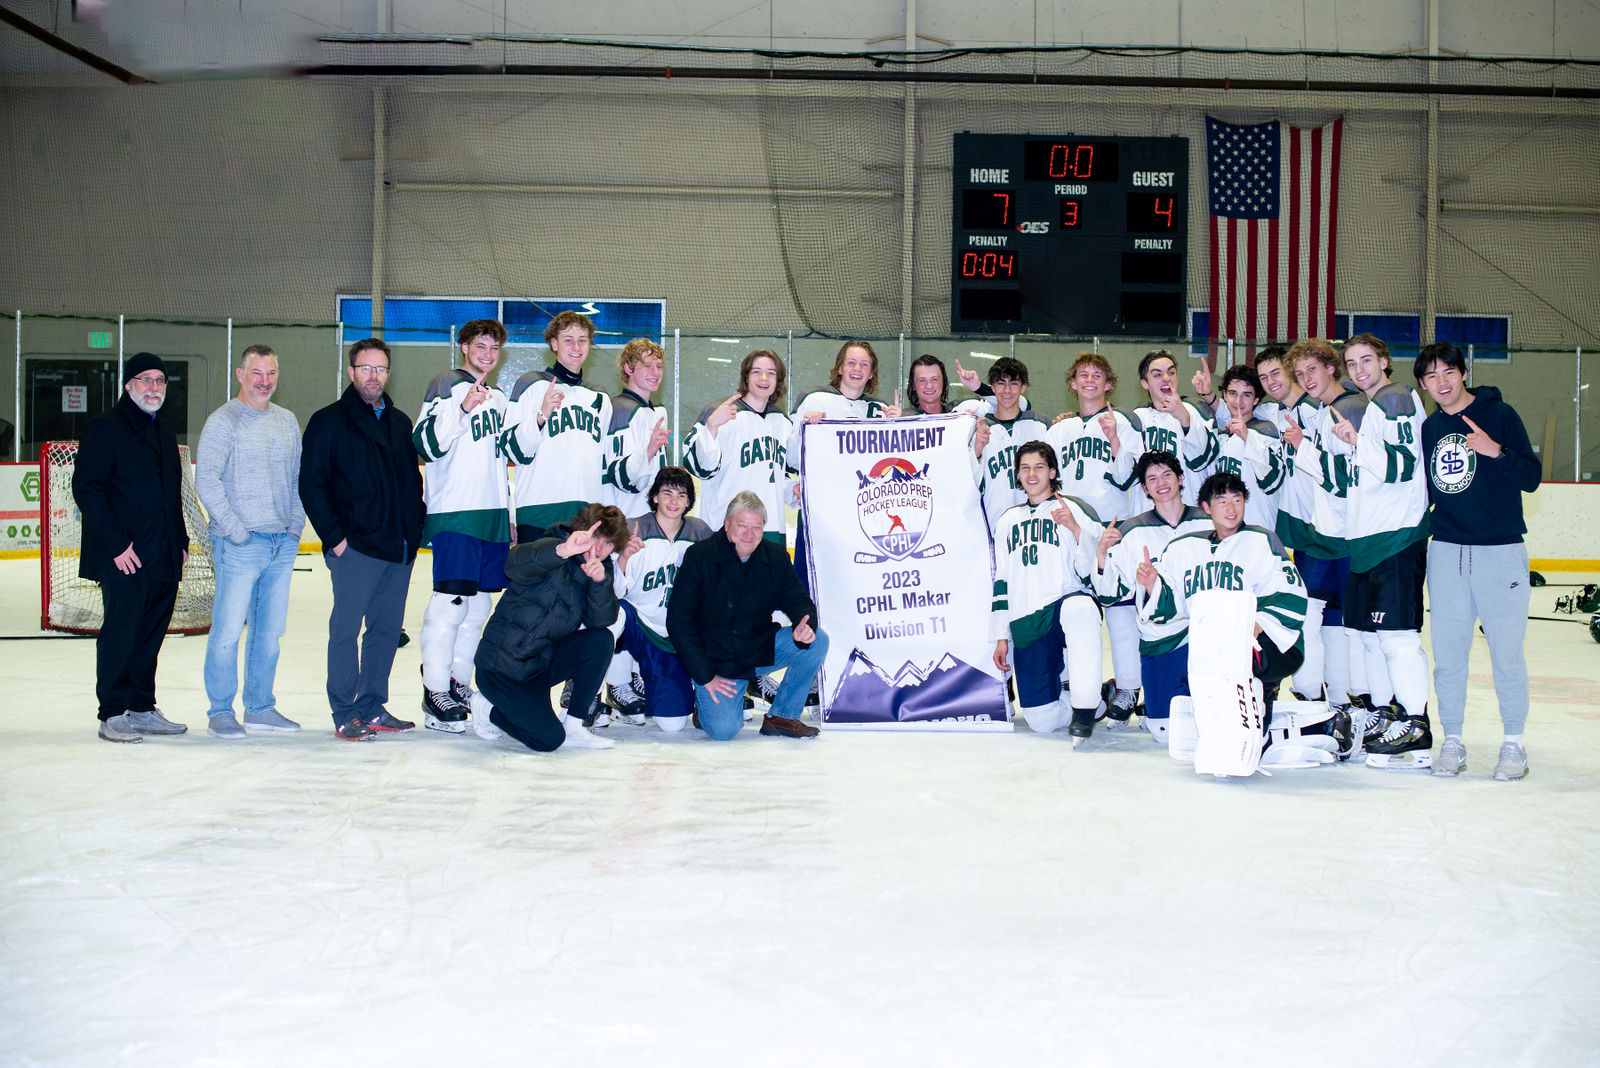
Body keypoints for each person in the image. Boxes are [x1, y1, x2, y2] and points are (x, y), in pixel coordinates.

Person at [1416, 341, 1541, 780]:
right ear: (1423, 384)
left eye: (1447, 371)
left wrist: (1497, 452)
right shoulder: (1430, 427)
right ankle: (1453, 740)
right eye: (1431, 376)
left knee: (1507, 654)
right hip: (1448, 552)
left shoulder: (1500, 416)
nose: (1441, 382)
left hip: (1501, 553)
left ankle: (1513, 744)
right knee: (1449, 655)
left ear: (1462, 372)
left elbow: (1531, 476)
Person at [299, 338, 426, 741]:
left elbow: (410, 483)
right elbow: (312, 484)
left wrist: (413, 530)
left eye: (381, 369)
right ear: (352, 371)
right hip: (354, 547)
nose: (374, 376)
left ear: (389, 374)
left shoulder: (400, 422)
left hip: (398, 547)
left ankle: (372, 704)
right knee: (346, 630)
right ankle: (344, 709)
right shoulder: (329, 421)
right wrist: (335, 539)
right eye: (366, 368)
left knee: (386, 632)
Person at [73, 353, 190, 743]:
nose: (154, 388)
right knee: (121, 633)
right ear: (128, 385)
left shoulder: (164, 430)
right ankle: (113, 712)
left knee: (151, 633)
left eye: (160, 381)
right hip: (124, 556)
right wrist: (116, 545)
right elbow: (88, 489)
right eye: (145, 380)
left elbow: (172, 494)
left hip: (163, 552)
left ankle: (141, 707)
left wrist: (182, 540)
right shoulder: (105, 428)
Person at [1136, 471, 1309, 733]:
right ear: (1206, 508)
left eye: (1237, 500)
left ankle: (1265, 696)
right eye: (1222, 501)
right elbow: (1172, 605)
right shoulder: (1183, 547)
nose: (1231, 508)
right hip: (1213, 650)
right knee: (1176, 727)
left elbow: (1289, 592)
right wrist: (1152, 585)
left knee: (1246, 725)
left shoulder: (1261, 540)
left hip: (1266, 646)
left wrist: (1257, 624)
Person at [1331, 333, 1433, 769]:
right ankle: (1387, 713)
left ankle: (1416, 725)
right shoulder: (1369, 407)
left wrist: (1357, 442)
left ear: (1385, 360)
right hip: (1367, 540)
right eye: (1351, 363)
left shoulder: (1397, 398)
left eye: (1366, 360)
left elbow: (1401, 465)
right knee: (1369, 638)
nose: (1359, 370)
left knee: (1396, 639)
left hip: (1396, 536)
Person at [194, 343, 305, 739]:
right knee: (227, 631)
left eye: (271, 373)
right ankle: (221, 710)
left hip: (281, 543)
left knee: (269, 632)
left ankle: (260, 707)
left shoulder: (287, 420)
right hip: (239, 544)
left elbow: (297, 479)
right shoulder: (223, 422)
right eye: (256, 373)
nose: (264, 382)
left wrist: (294, 527)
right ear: (240, 375)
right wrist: (237, 531)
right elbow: (206, 480)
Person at [412, 318, 512, 733]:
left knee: (478, 606)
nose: (487, 354)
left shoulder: (500, 397)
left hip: (491, 512)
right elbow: (426, 444)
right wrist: (463, 408)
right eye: (480, 346)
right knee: (450, 602)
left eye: (494, 348)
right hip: (456, 511)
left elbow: (509, 459)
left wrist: (511, 515)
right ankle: (434, 690)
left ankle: (457, 682)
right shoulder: (446, 385)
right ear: (464, 346)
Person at [465, 504, 628, 752]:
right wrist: (563, 550)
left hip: (539, 667)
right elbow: (513, 565)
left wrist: (598, 584)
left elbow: (600, 622)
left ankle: (574, 725)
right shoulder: (552, 546)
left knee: (601, 639)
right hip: (501, 667)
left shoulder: (599, 570)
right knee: (548, 740)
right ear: (582, 530)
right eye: (595, 537)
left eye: (607, 544)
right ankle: (488, 710)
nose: (598, 548)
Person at [667, 491, 828, 740]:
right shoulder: (700, 556)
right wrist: (705, 676)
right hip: (716, 661)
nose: (749, 534)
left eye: (757, 527)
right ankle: (704, 706)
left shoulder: (775, 557)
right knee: (723, 731)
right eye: (742, 526)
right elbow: (678, 621)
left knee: (817, 639)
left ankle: (783, 717)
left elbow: (798, 600)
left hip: (756, 648)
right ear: (727, 523)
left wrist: (804, 623)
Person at [1276, 338, 1371, 729]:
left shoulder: (1352, 408)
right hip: (1321, 535)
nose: (1306, 378)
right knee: (1316, 618)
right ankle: (1316, 698)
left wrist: (1302, 448)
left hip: (1350, 536)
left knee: (1351, 624)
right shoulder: (1323, 411)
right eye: (1299, 374)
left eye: (1312, 369)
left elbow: (1343, 480)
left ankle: (1359, 702)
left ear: (1332, 368)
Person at [1048, 351, 1145, 720]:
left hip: (1112, 527)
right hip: (1072, 528)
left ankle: (1127, 688)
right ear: (1072, 384)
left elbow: (1128, 476)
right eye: (1082, 375)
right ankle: (1077, 685)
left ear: (1108, 384)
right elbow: (1047, 477)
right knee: (1077, 608)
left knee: (1120, 610)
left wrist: (1115, 439)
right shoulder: (1059, 430)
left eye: (1098, 375)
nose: (1090, 380)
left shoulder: (1124, 421)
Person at [1090, 451, 1213, 740]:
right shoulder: (1133, 530)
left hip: (1206, 636)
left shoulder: (1208, 522)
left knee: (1209, 721)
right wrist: (1101, 555)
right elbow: (1109, 595)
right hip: (1163, 640)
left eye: (1167, 475)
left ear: (1181, 478)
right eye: (1152, 479)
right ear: (1144, 489)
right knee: (1164, 731)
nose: (1161, 483)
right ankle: (1143, 694)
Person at [989, 441, 1105, 744]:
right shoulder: (1006, 520)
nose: (1031, 474)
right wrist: (1002, 635)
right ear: (1017, 475)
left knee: (1081, 609)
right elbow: (1001, 581)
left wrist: (1076, 529)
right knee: (1040, 720)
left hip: (1064, 602)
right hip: (1026, 617)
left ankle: (1084, 708)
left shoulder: (1073, 508)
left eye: (1039, 467)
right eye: (1025, 468)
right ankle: (1098, 702)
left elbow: (1095, 566)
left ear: (1052, 471)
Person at [607, 467, 715, 730]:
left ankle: (655, 677)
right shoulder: (634, 528)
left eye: (681, 495)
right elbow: (615, 592)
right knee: (612, 614)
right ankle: (615, 686)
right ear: (654, 496)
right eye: (667, 493)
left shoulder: (700, 532)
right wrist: (622, 558)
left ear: (689, 501)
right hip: (639, 624)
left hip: (676, 636)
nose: (673, 501)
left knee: (673, 724)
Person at [502, 311, 613, 542]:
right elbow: (511, 449)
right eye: (568, 339)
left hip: (586, 518)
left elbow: (602, 462)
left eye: (582, 340)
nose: (576, 346)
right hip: (538, 515)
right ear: (554, 344)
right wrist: (541, 415)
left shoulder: (600, 396)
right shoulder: (531, 384)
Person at [684, 348, 793, 543]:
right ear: (746, 377)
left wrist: (794, 489)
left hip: (771, 529)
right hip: (725, 527)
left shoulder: (782, 422)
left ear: (778, 381)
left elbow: (776, 477)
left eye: (771, 373)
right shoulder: (719, 412)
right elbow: (700, 469)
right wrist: (712, 426)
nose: (764, 378)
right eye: (756, 371)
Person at [1127, 350, 1218, 511]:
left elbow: (1201, 460)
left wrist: (1184, 418)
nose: (1166, 378)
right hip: (1148, 514)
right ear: (1144, 383)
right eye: (1157, 374)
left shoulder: (1195, 410)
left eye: (1171, 372)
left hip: (1190, 510)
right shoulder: (1137, 419)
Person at [971, 357, 1051, 534]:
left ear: (1023, 387)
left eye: (1014, 384)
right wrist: (976, 449)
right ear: (992, 387)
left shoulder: (1042, 424)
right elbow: (970, 482)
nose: (1007, 390)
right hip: (995, 526)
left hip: (1038, 526)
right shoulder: (981, 430)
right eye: (1001, 383)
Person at [1209, 364, 1287, 534]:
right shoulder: (1222, 437)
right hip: (1227, 529)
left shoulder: (1266, 432)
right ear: (1224, 395)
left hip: (1258, 528)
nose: (1238, 401)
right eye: (1232, 393)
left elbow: (1273, 481)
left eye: (1246, 395)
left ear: (1256, 400)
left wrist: (1247, 437)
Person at [602, 338, 672, 519]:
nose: (655, 372)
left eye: (659, 366)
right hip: (625, 518)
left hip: (651, 517)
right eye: (647, 366)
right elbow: (621, 477)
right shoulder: (620, 409)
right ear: (628, 368)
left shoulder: (658, 410)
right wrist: (648, 451)